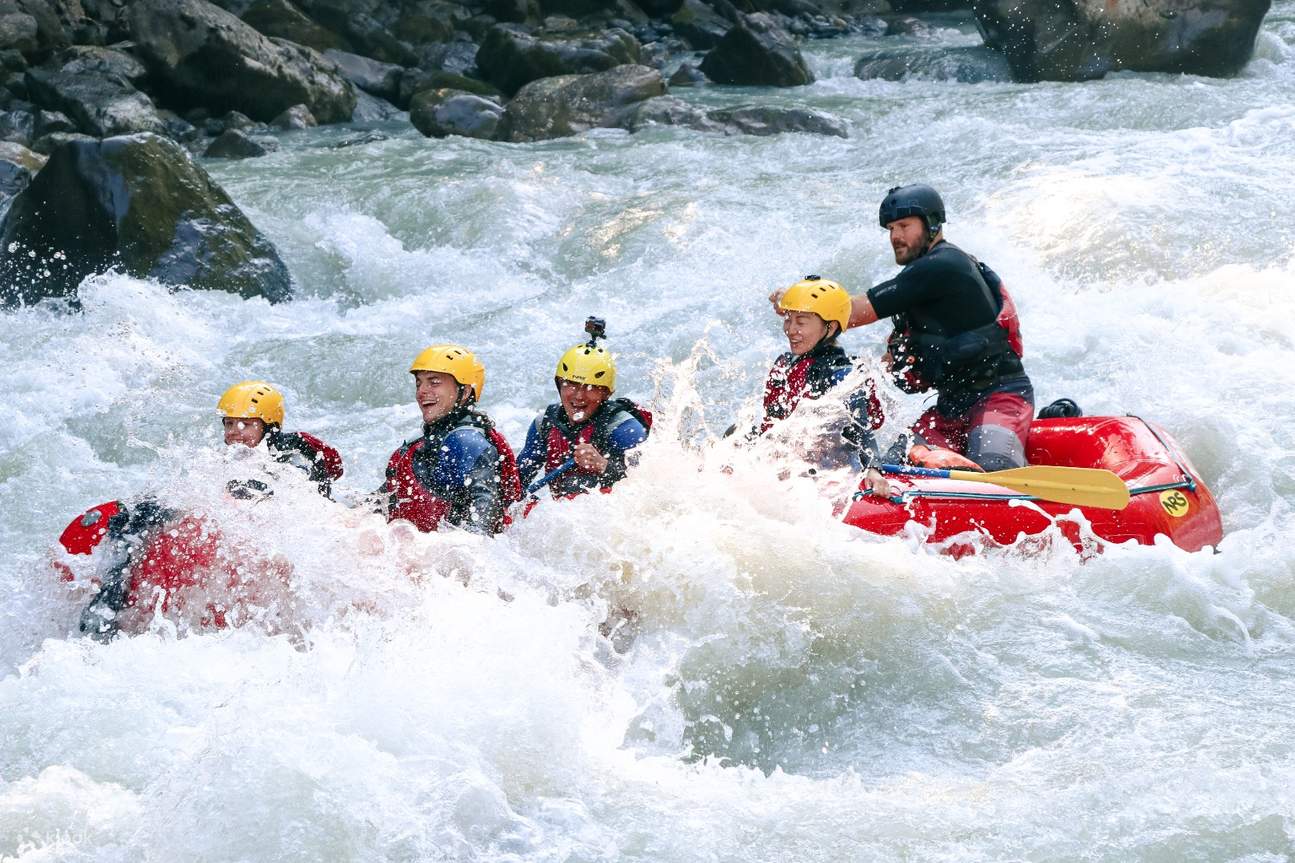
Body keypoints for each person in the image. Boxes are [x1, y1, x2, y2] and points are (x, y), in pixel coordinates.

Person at [780, 186, 1033, 472]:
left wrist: (805, 305)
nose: (895, 237)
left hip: (999, 397)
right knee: (895, 467)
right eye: (890, 228)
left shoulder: (943, 265)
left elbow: (852, 312)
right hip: (950, 407)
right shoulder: (924, 285)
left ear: (933, 224)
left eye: (904, 226)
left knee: (994, 468)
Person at [753, 276, 889, 494]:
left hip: (830, 467)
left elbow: (861, 427)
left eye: (801, 322)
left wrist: (873, 469)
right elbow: (772, 425)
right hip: (789, 459)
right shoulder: (785, 365)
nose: (790, 329)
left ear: (830, 326)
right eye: (788, 319)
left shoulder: (843, 374)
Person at [379, 344, 522, 535]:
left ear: (464, 392)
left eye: (434, 382)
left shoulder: (467, 441)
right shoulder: (424, 442)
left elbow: (485, 507)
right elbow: (384, 499)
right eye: (419, 383)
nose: (422, 391)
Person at [517, 318, 651, 498]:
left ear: (606, 394)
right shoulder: (545, 424)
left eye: (591, 387)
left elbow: (652, 484)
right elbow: (516, 483)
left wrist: (604, 465)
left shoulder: (625, 428)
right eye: (571, 384)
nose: (579, 396)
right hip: (564, 512)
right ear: (559, 385)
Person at [217, 380, 344, 497]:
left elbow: (295, 492)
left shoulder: (290, 452)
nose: (232, 431)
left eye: (245, 424)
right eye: (229, 423)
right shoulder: (230, 456)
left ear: (268, 428)